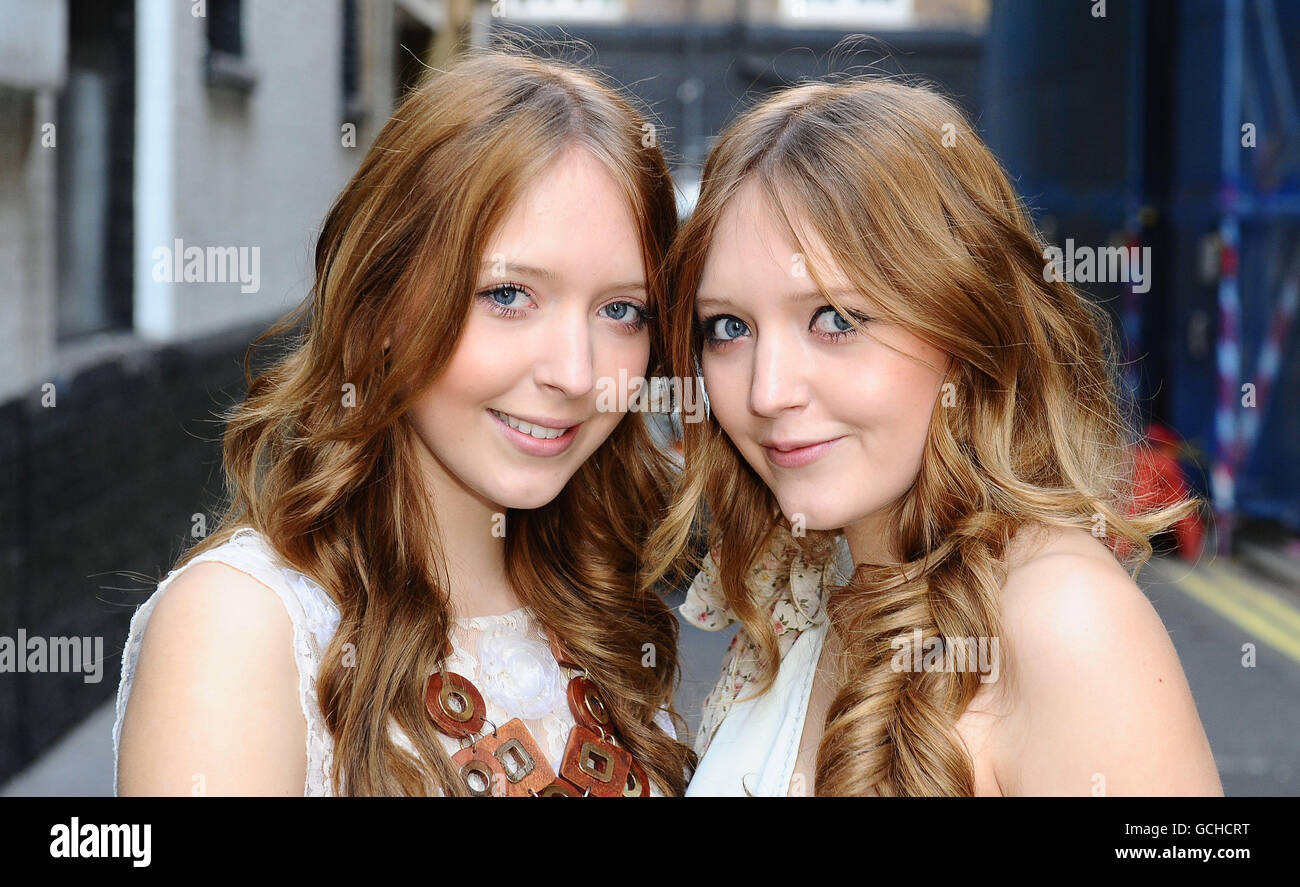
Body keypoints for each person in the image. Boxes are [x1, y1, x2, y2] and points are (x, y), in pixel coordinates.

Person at [114, 47, 694, 796]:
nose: (576, 373)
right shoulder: (243, 628)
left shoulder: (599, 606)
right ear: (383, 303)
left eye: (622, 310)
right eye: (510, 295)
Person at [644, 75, 1223, 796]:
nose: (767, 392)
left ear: (967, 326)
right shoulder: (814, 590)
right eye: (728, 327)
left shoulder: (1065, 621)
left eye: (836, 319)